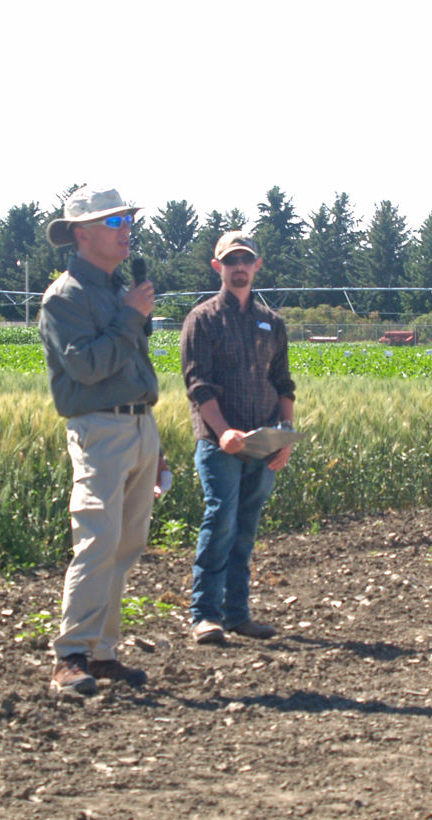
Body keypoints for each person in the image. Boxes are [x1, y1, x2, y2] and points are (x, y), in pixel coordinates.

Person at [39, 185, 165, 694]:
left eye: (127, 220)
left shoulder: (117, 292)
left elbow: (133, 367)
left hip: (137, 426)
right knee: (97, 539)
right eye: (115, 223)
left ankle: (104, 653)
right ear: (81, 233)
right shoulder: (65, 297)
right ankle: (70, 655)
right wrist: (132, 316)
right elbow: (87, 367)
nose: (126, 230)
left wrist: (153, 443)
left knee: (127, 542)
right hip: (99, 429)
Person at [180, 232, 296, 644]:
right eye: (231, 261)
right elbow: (198, 385)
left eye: (246, 259)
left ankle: (237, 613)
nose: (239, 267)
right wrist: (223, 429)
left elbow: (283, 382)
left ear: (257, 265)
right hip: (219, 446)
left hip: (263, 445)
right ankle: (204, 615)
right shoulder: (203, 319)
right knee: (220, 521)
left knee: (245, 528)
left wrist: (285, 436)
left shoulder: (272, 322)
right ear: (218, 267)